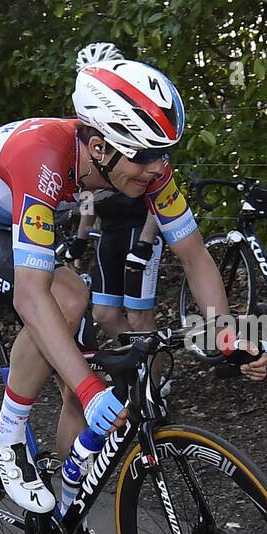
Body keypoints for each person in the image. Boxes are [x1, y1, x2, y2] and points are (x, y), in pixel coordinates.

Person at [0, 59, 267, 534]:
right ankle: (7, 432)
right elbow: (30, 295)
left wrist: (225, 332)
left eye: (165, 155)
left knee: (75, 388)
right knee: (68, 297)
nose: (159, 169)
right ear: (101, 146)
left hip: (14, 226)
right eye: (147, 156)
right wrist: (91, 389)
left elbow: (196, 257)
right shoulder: (41, 154)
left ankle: (68, 518)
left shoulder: (148, 167)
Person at [62, 44, 165, 347]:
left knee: (137, 316)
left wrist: (146, 243)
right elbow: (89, 192)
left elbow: (160, 195)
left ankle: (155, 387)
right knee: (105, 313)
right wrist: (81, 240)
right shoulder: (88, 133)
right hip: (109, 232)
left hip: (139, 229)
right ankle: (139, 370)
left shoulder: (142, 126)